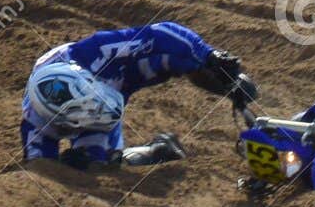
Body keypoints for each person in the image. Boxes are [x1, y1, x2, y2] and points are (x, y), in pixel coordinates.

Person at [22, 21, 257, 170]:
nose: (104, 109)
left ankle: (236, 95)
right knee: (97, 164)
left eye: (94, 100)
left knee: (186, 59)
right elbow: (40, 168)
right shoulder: (36, 125)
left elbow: (159, 34)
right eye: (91, 111)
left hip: (123, 74)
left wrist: (210, 56)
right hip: (83, 105)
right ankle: (155, 151)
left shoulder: (98, 53)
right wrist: (66, 168)